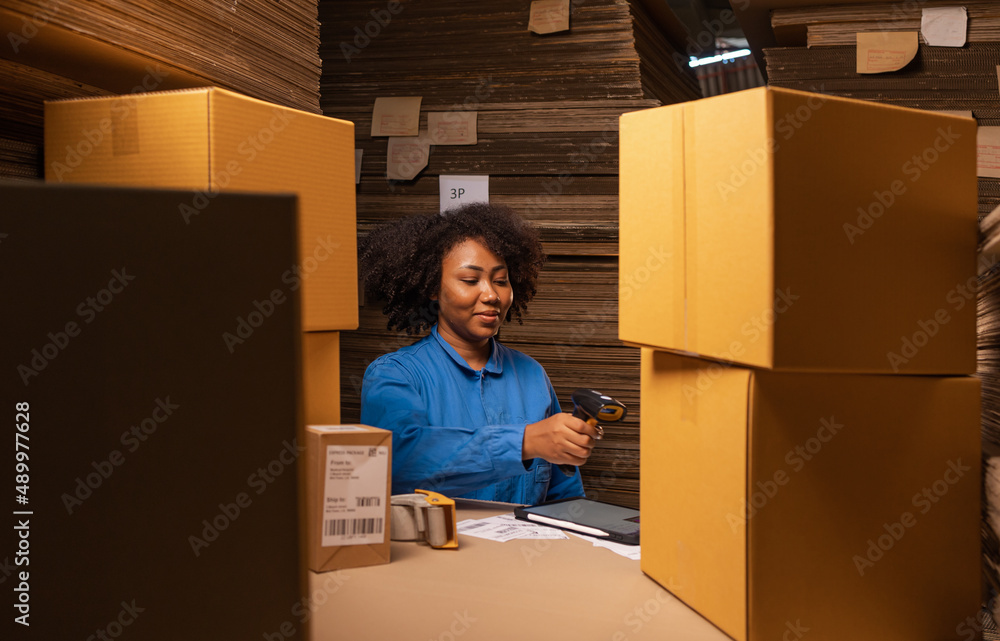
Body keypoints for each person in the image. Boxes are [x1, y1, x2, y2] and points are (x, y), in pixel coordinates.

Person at [359, 202, 599, 504]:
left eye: (500, 281)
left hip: (528, 550)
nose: (491, 295)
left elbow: (565, 497)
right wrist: (525, 442)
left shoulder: (532, 375)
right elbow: (396, 467)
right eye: (470, 281)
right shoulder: (394, 375)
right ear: (433, 289)